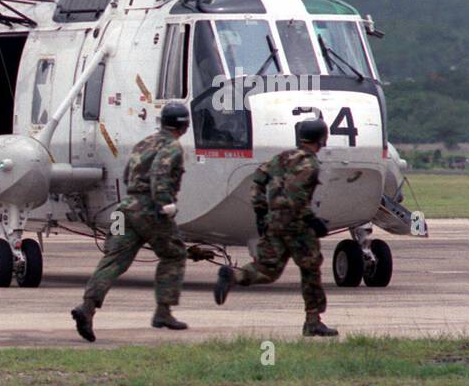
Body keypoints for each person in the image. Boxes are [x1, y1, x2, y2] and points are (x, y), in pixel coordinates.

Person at [71, 101, 190, 342]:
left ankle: (87, 307)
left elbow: (127, 175)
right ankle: (163, 311)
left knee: (114, 261)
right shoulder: (173, 147)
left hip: (126, 208)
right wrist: (165, 204)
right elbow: (160, 173)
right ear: (183, 125)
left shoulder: (144, 143)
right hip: (150, 210)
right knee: (174, 254)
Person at [214, 117, 338, 336]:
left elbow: (259, 178)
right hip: (297, 226)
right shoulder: (310, 163)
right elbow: (295, 194)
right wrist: (311, 220)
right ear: (321, 139)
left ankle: (233, 276)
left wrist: (261, 211)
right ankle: (313, 321)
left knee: (267, 269)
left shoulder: (281, 158)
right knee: (310, 270)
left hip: (274, 223)